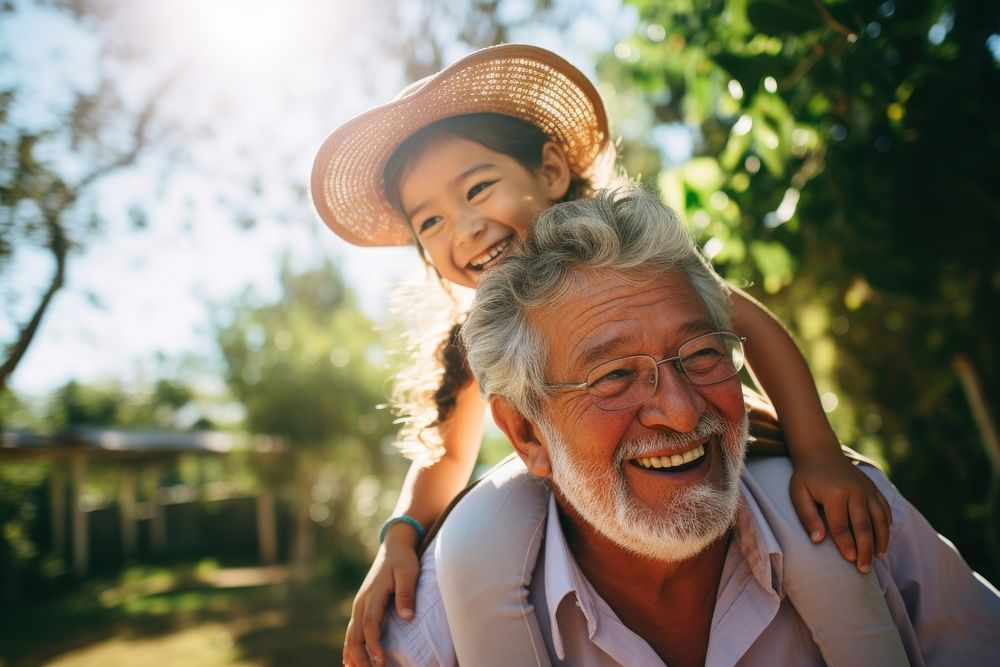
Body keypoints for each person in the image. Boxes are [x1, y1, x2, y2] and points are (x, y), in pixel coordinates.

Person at [310, 44, 891, 666]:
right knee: (475, 537)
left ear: (553, 171)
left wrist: (820, 455)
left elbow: (761, 335)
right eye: (430, 223)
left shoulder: (634, 262)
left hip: (707, 446)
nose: (464, 228)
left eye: (478, 188)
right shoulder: (475, 331)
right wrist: (400, 537)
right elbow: (449, 454)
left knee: (815, 545)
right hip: (574, 481)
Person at [380, 188, 1000, 666]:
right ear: (527, 435)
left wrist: (820, 450)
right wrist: (402, 533)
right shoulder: (437, 627)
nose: (680, 412)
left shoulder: (858, 522)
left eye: (704, 355)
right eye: (614, 376)